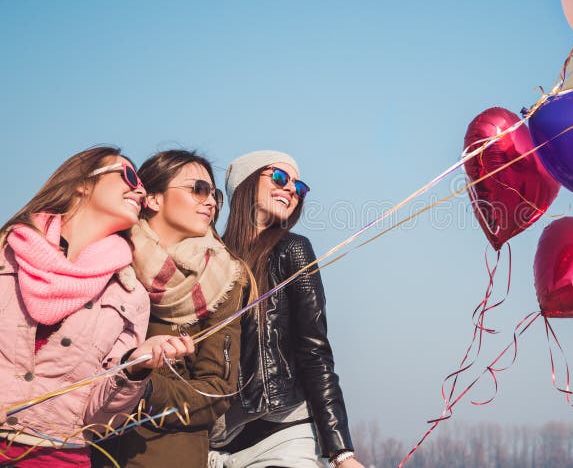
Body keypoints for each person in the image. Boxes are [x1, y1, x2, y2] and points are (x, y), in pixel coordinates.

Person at [0, 146, 194, 468]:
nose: (140, 190)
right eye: (129, 176)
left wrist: (135, 366)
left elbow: (99, 416)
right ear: (82, 182)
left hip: (56, 455)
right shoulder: (5, 255)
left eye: (143, 185)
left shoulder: (130, 294)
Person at [210, 150, 363, 468]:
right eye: (279, 177)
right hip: (213, 444)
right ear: (245, 184)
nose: (292, 189)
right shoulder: (209, 256)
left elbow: (315, 352)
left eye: (300, 186)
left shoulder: (292, 249)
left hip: (282, 433)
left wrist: (341, 452)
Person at [95, 150, 248, 468]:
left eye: (214, 194)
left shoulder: (222, 280)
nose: (211, 202)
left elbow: (217, 391)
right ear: (152, 198)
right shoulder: (104, 258)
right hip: (85, 448)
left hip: (167, 455)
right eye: (198, 189)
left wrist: (143, 384)